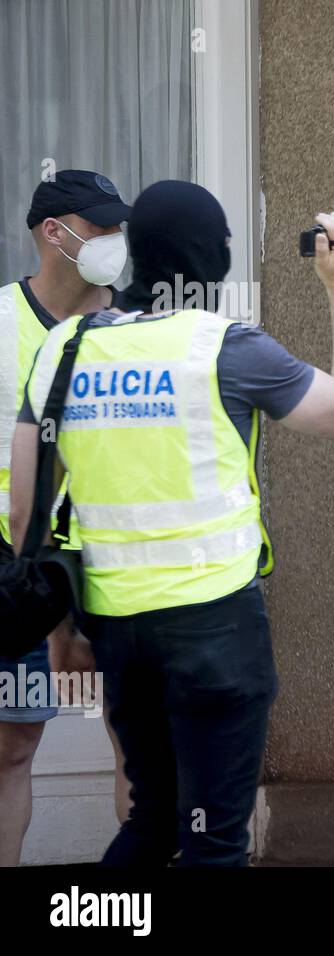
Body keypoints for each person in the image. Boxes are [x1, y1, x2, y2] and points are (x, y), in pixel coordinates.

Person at [8, 181, 334, 866]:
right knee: (212, 842)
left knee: (151, 821)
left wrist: (61, 634)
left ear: (132, 257)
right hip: (215, 635)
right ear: (212, 264)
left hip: (117, 631)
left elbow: (25, 514)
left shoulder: (63, 349)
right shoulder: (226, 348)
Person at [0, 170, 130, 866]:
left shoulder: (133, 324)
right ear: (54, 232)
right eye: (101, 226)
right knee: (11, 747)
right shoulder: (1, 326)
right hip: (17, 565)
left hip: (116, 564)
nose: (115, 241)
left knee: (136, 741)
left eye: (118, 227)